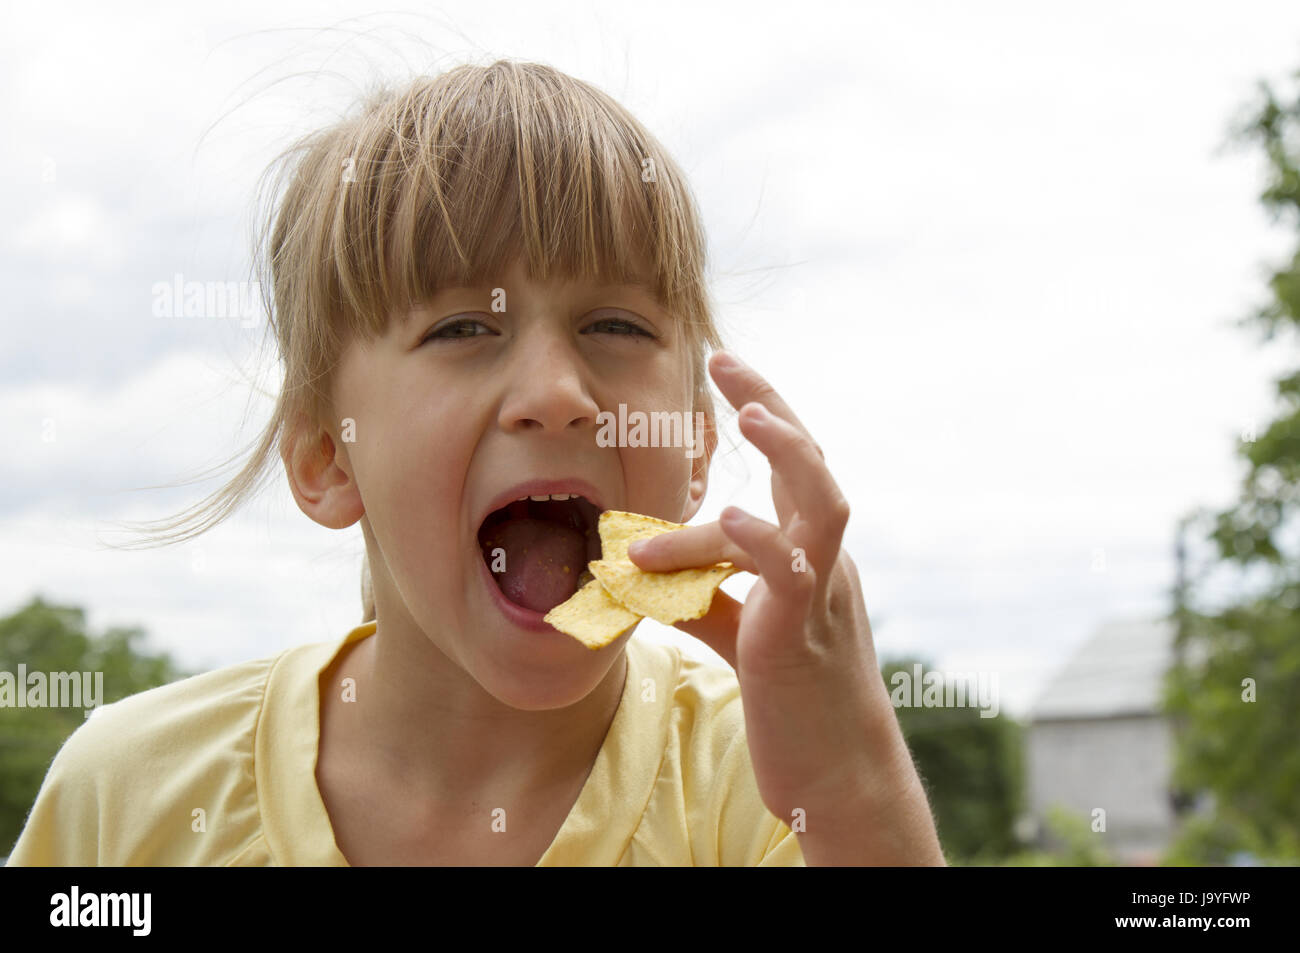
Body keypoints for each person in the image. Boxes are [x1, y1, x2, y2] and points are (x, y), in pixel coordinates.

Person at [6, 58, 944, 866]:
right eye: (463, 328)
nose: (556, 392)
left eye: (615, 325)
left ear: (696, 446)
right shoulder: (127, 796)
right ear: (328, 457)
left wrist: (849, 783)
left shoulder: (769, 793)